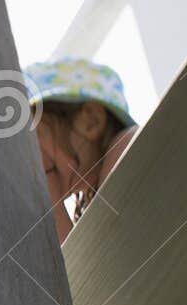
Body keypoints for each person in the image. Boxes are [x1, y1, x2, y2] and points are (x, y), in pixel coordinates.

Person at [26, 58, 138, 243]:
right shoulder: (94, 210)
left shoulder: (127, 143)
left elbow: (73, 266)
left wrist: (50, 207)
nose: (26, 161)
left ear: (91, 121)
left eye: (29, 141)